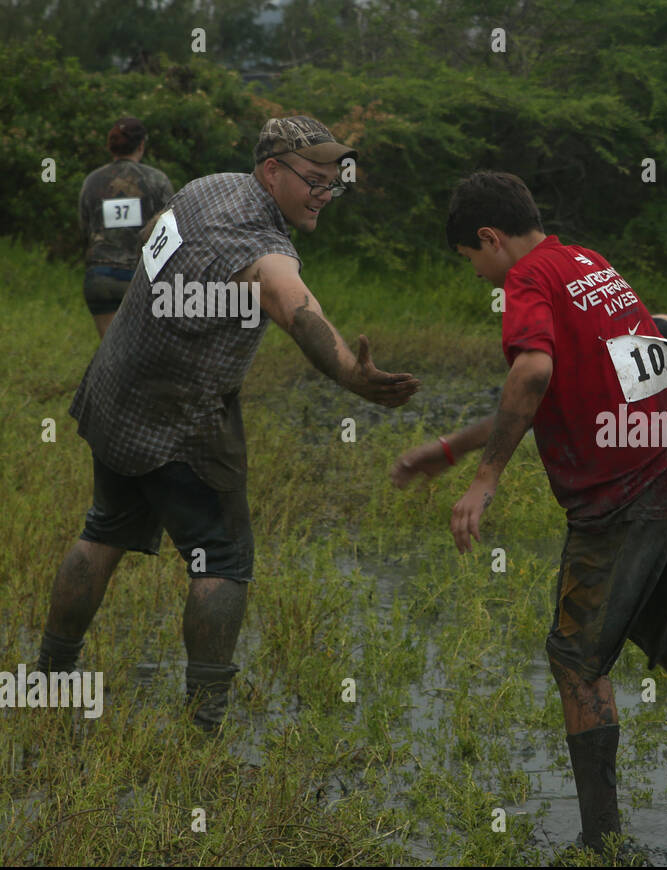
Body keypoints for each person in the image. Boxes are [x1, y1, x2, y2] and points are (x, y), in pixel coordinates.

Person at [390, 171, 667, 855]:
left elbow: (530, 374)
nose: (477, 277)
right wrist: (450, 448)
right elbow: (571, 382)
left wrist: (486, 477)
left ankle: (602, 843)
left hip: (625, 497)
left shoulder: (526, 279)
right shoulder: (589, 264)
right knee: (658, 628)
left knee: (575, 660)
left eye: (471, 261)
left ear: (490, 239)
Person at [40, 116, 420, 732]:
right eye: (313, 181)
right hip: (182, 419)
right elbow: (297, 308)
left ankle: (51, 676)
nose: (325, 193)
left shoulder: (204, 186)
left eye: (334, 183)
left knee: (103, 530)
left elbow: (154, 254)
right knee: (221, 561)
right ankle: (204, 720)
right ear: (272, 171)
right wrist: (355, 376)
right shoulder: (257, 246)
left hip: (117, 391)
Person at [78, 117, 175, 338]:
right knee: (142, 350)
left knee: (110, 350)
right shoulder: (156, 180)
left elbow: (85, 230)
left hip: (99, 277)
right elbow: (169, 232)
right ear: (141, 145)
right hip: (138, 277)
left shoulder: (91, 181)